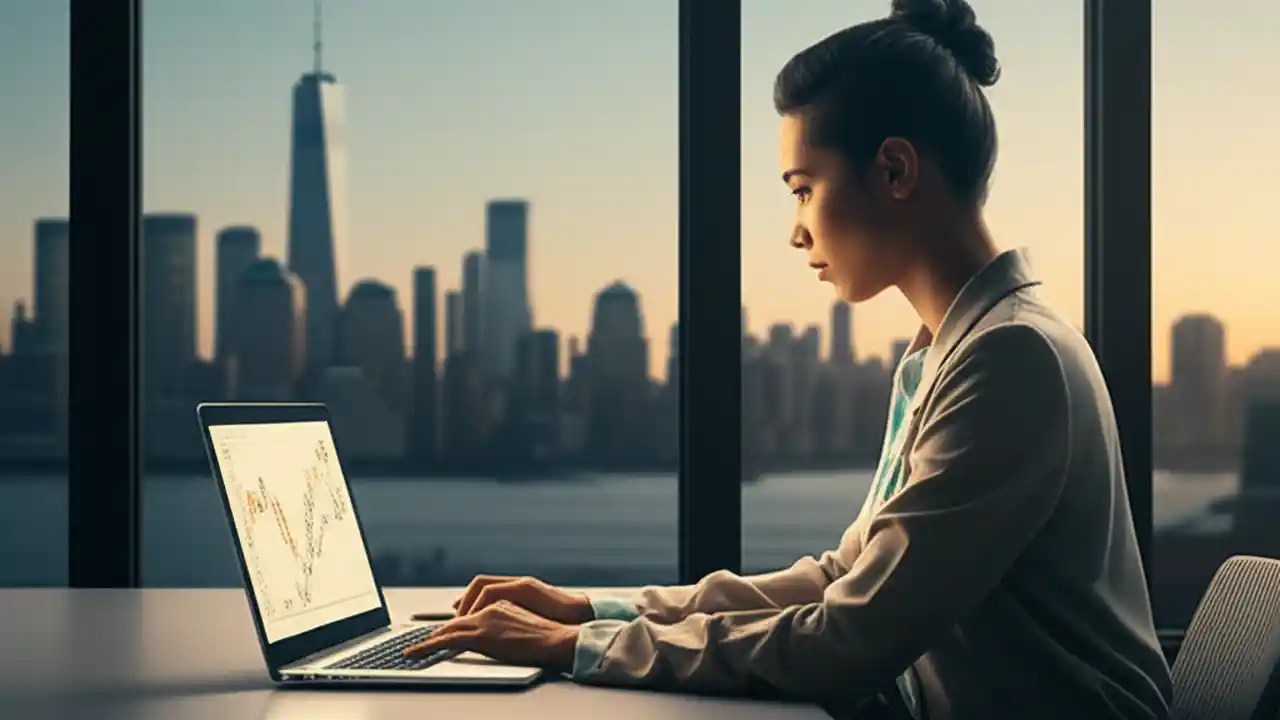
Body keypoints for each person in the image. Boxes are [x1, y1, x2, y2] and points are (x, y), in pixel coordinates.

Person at [404, 0, 1174, 717]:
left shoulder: (1010, 359)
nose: (796, 230)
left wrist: (578, 647)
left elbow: (851, 639)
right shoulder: (953, 350)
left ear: (895, 170)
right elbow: (845, 582)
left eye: (803, 189)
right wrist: (593, 611)